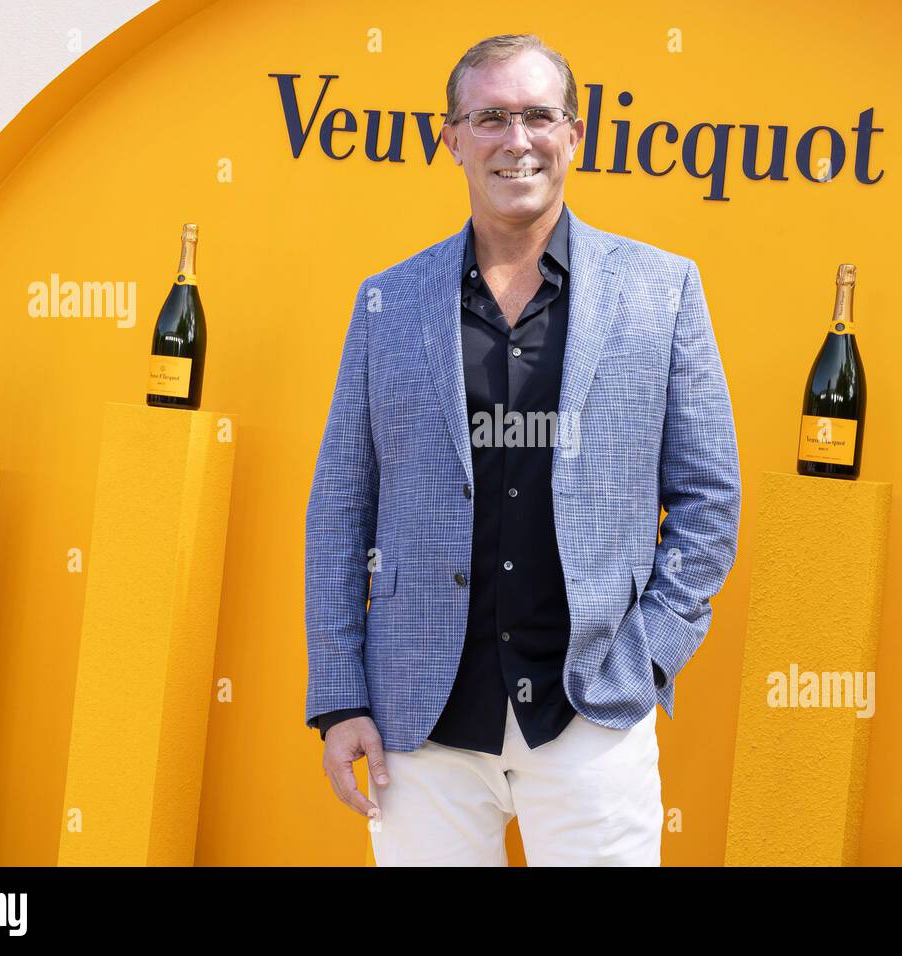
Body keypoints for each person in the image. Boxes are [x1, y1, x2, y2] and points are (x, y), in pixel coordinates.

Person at [304, 33, 741, 866]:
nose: (517, 139)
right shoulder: (387, 304)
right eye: (492, 117)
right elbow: (339, 510)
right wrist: (339, 697)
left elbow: (708, 501)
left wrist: (642, 662)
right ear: (452, 138)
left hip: (591, 712)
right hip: (419, 724)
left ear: (575, 133)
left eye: (539, 115)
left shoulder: (663, 289)